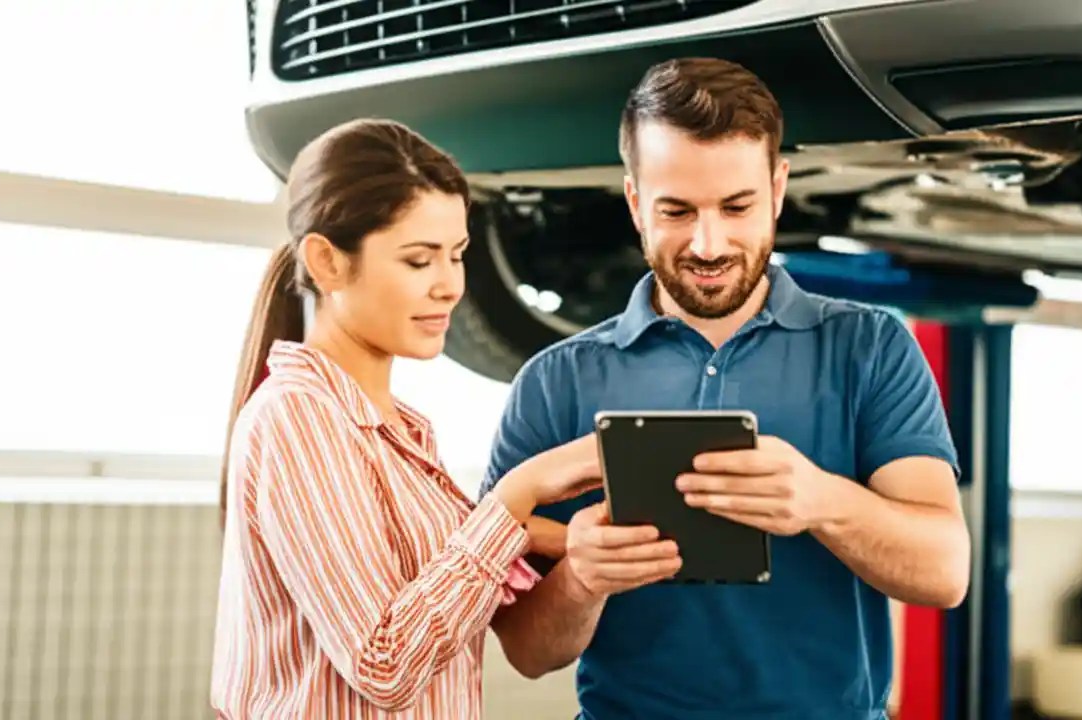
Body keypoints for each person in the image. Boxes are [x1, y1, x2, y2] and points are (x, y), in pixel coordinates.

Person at [482, 58, 972, 719]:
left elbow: (944, 573)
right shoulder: (553, 381)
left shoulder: (871, 348)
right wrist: (580, 579)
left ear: (776, 189)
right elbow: (527, 651)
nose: (707, 244)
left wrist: (823, 501)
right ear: (634, 202)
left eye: (736, 206)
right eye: (676, 211)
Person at [209, 118, 601, 719]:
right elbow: (385, 665)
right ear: (326, 262)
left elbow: (463, 587)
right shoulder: (298, 418)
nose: (449, 286)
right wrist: (518, 495)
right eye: (419, 261)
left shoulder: (402, 433)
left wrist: (582, 550)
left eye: (458, 256)